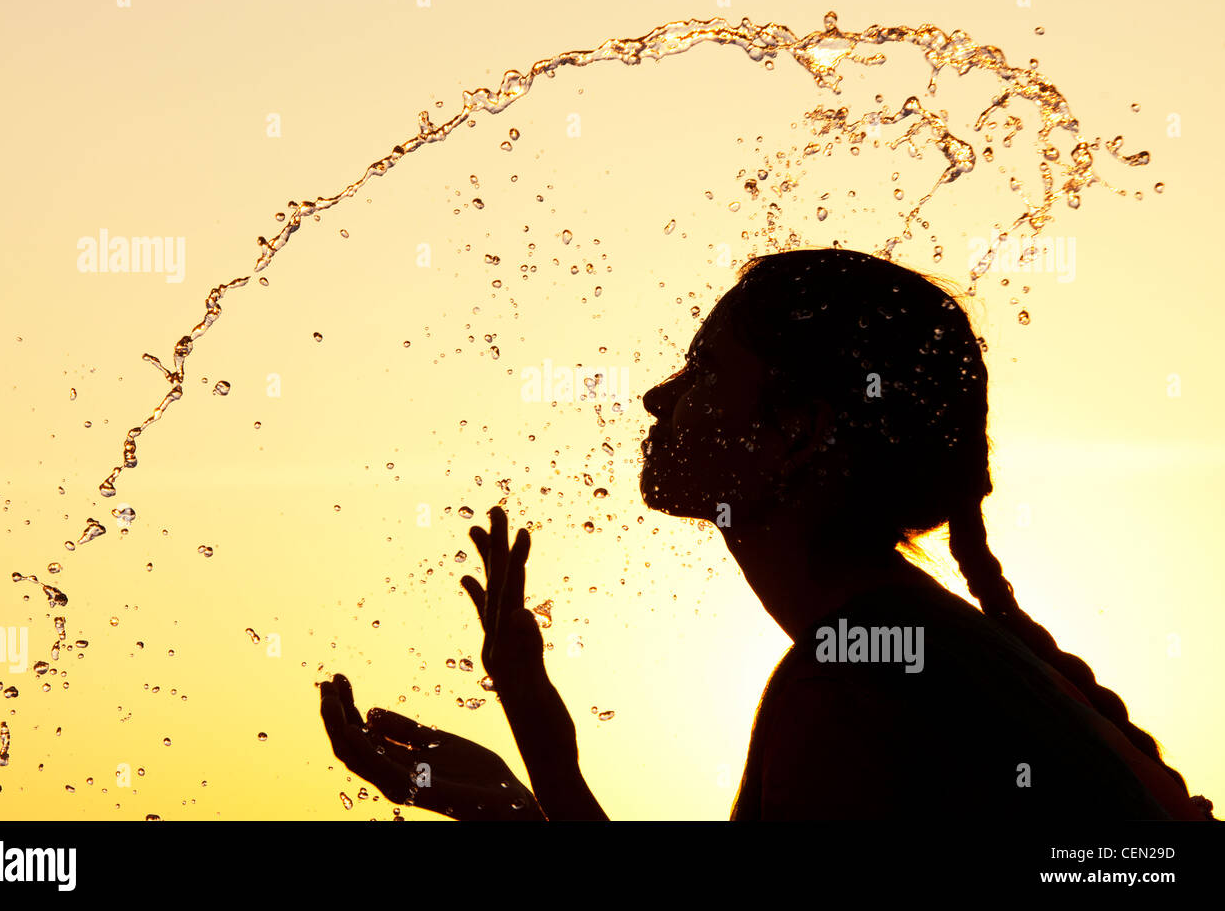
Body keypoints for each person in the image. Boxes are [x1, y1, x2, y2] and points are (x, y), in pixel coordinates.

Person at [319, 248, 1214, 820]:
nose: (657, 397)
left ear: (798, 430)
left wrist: (530, 793)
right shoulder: (916, 648)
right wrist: (534, 762)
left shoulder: (850, 681)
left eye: (704, 369)